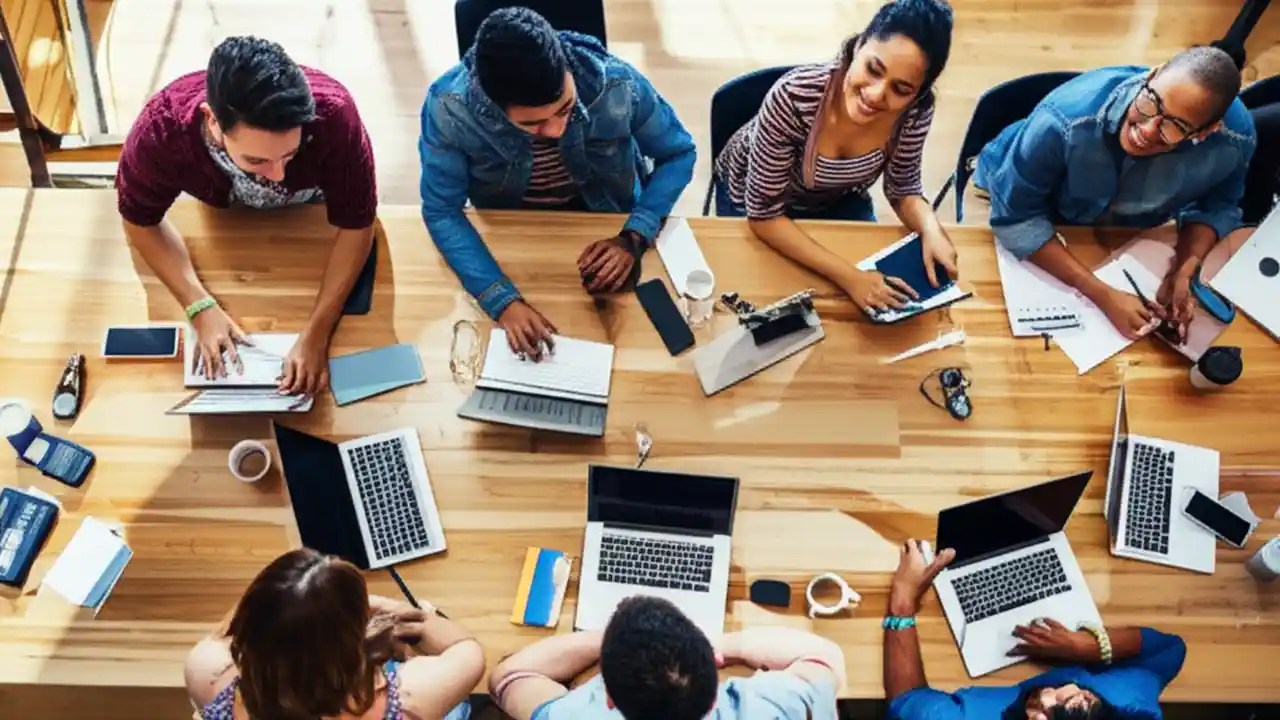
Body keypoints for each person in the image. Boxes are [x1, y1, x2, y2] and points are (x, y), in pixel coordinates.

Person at [419, 8, 696, 359]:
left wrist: (634, 234)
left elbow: (679, 153)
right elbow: (442, 210)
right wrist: (501, 301)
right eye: (533, 123)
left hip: (610, 221)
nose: (555, 130)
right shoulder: (449, 108)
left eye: (565, 108)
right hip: (512, 235)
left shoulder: (617, 83)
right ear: (493, 104)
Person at [117, 36, 378, 395]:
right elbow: (137, 216)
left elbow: (358, 222)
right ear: (212, 121)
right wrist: (199, 305)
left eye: (290, 154)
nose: (279, 176)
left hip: (311, 220)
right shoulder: (161, 130)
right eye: (257, 160)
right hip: (224, 229)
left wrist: (318, 331)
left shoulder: (335, 114)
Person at [975, 46, 1256, 341]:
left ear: (1205, 132)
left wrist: (1185, 269)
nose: (1147, 130)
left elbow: (1217, 206)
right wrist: (1101, 294)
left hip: (1124, 228)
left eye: (1174, 126)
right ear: (1153, 74)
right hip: (1024, 199)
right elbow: (1017, 219)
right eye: (1151, 102)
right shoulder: (1063, 121)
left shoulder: (1235, 141)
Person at [714, 0, 957, 313]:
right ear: (858, 46)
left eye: (901, 89)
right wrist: (851, 278)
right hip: (751, 201)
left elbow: (903, 188)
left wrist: (931, 229)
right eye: (873, 69)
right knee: (766, 303)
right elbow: (763, 216)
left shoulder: (915, 113)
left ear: (919, 93)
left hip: (835, 198)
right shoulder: (793, 97)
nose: (875, 94)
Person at [883, 539, 1188, 719]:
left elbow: (906, 702)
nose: (1044, 699)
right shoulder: (1132, 702)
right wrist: (1089, 647)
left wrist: (903, 603)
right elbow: (1168, 653)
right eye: (1073, 699)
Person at [184, 548, 483, 720]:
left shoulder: (206, 668)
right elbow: (469, 652)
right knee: (458, 708)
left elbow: (248, 618)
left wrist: (308, 606)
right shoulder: (407, 703)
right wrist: (398, 609)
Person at [489, 595, 844, 719]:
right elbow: (824, 658)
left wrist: (619, 646)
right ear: (715, 663)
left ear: (611, 698)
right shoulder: (782, 706)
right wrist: (728, 643)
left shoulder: (580, 713)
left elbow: (508, 679)